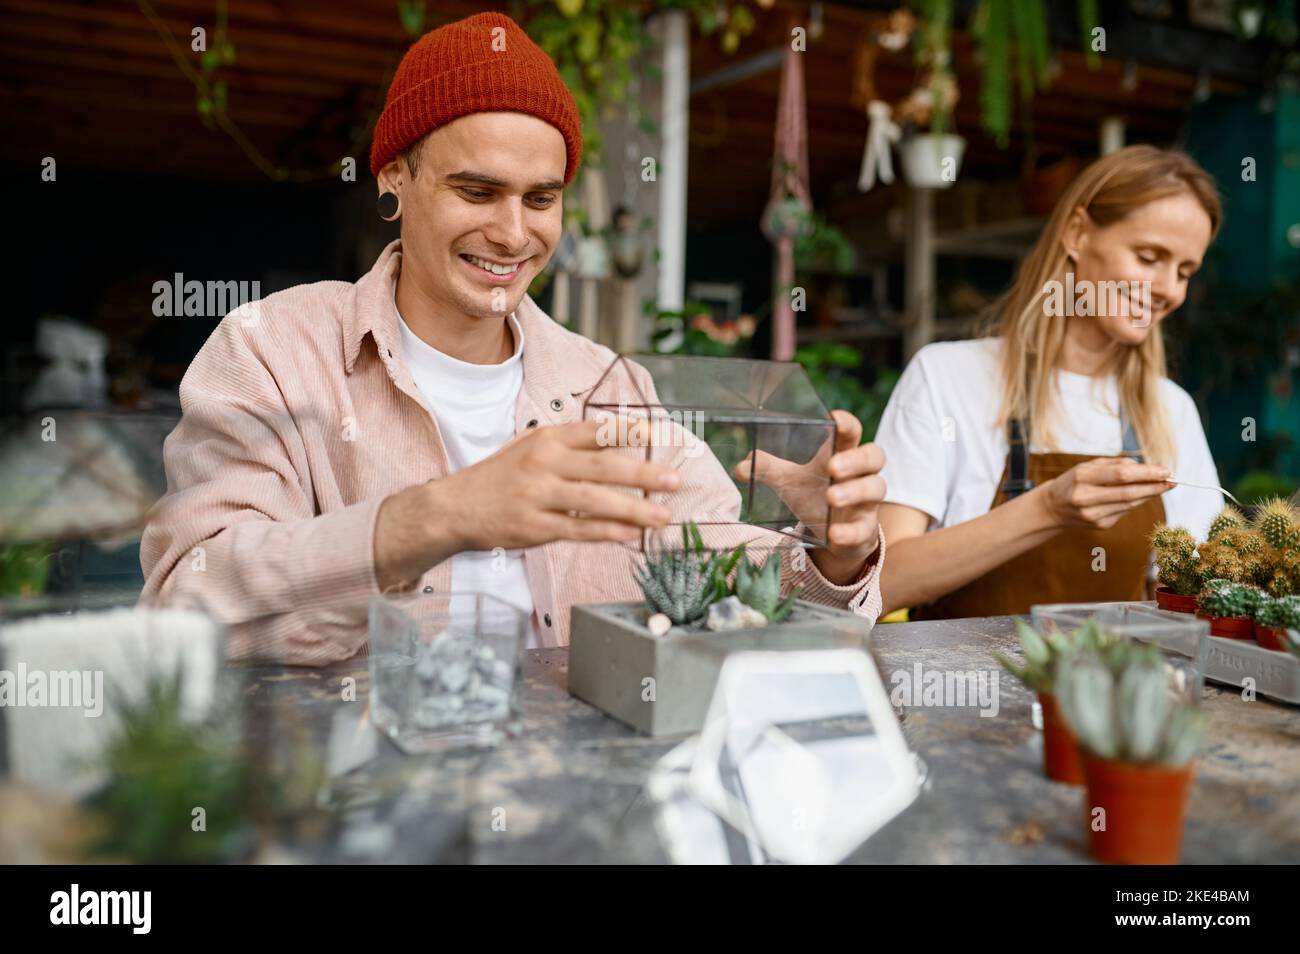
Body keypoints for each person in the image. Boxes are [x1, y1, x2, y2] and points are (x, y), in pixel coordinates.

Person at [140, 12, 887, 665]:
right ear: (395, 178)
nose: (511, 232)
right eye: (476, 191)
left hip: (567, 788)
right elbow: (186, 596)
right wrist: (442, 516)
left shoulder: (608, 385)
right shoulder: (272, 349)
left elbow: (703, 565)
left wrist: (832, 552)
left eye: (541, 199)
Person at [874, 145, 1223, 618]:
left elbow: (1190, 595)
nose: (1167, 289)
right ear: (1077, 234)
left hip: (1112, 689)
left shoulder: (1169, 409)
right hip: (964, 689)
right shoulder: (946, 377)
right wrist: (1047, 509)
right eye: (1148, 257)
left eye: (1185, 271)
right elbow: (883, 584)